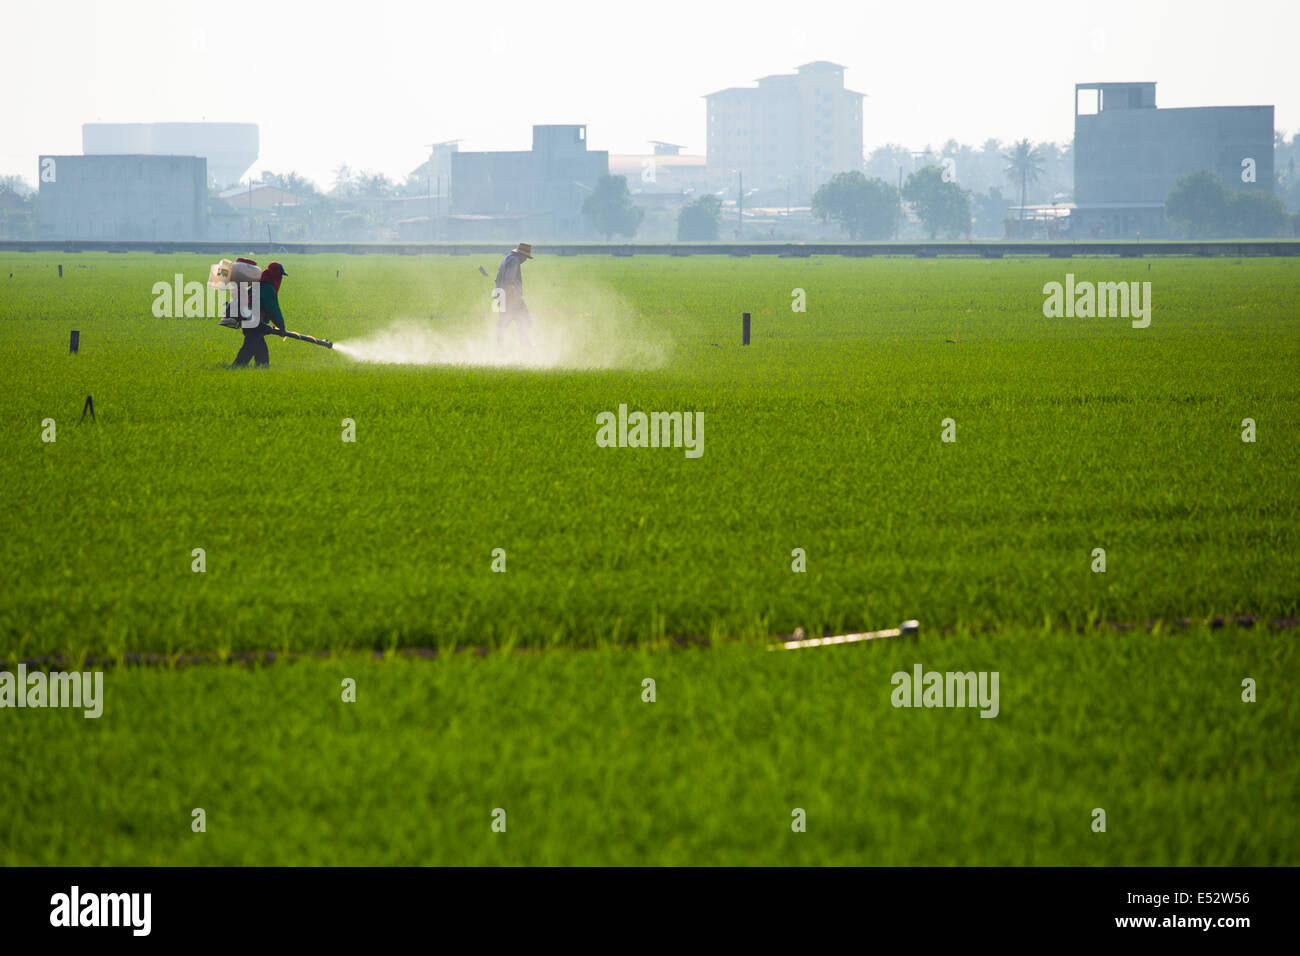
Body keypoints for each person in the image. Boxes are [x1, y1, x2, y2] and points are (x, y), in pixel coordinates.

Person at [231, 262, 288, 367]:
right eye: (280, 276)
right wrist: (282, 327)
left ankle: (262, 367)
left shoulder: (260, 284)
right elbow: (273, 310)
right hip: (253, 320)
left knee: (259, 346)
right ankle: (237, 366)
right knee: (250, 345)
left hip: (247, 318)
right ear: (276, 275)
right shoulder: (267, 288)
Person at [493, 242, 533, 348]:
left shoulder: (508, 258)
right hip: (511, 296)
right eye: (526, 257)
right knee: (525, 319)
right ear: (522, 255)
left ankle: (499, 345)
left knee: (503, 322)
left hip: (502, 295)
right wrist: (514, 298)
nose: (525, 260)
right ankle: (525, 344)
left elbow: (498, 279)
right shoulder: (515, 261)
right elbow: (509, 280)